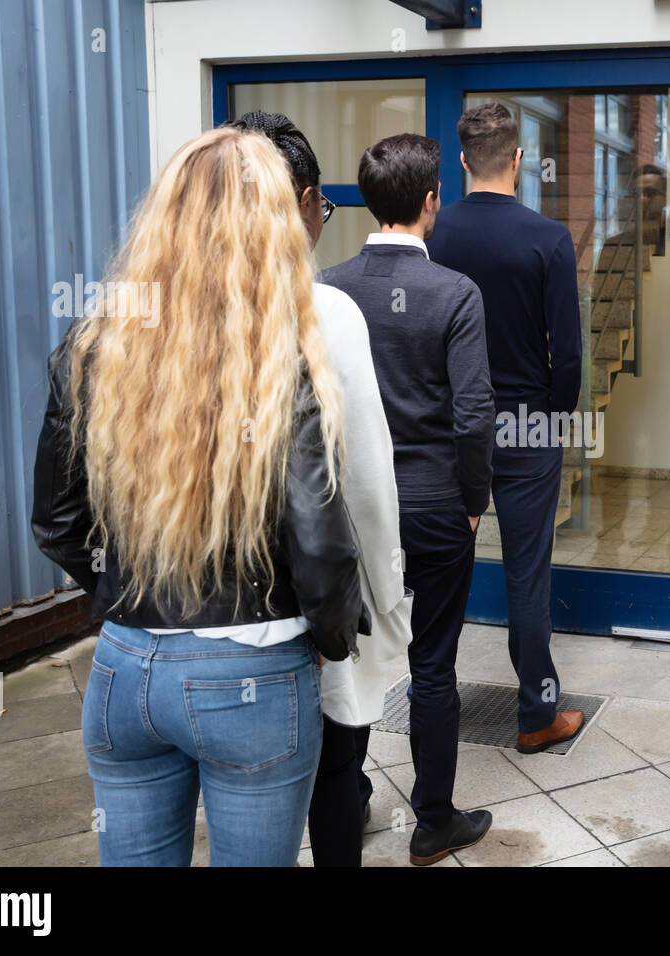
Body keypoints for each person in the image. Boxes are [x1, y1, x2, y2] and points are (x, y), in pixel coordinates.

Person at [31, 126, 365, 866]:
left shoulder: (93, 348)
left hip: (122, 672)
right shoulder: (283, 360)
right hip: (255, 672)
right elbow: (322, 546)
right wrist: (332, 641)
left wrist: (128, 590)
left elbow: (56, 523)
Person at [226, 111, 413, 868]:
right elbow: (364, 483)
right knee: (336, 776)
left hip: (186, 631)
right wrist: (387, 600)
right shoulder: (324, 311)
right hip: (305, 617)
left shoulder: (159, 311)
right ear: (300, 200)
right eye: (321, 208)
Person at [319, 133, 495, 865]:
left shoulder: (326, 288)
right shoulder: (454, 293)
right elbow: (475, 413)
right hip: (433, 507)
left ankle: (349, 802)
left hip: (351, 511)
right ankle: (432, 821)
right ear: (430, 203)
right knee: (434, 664)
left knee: (351, 656)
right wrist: (473, 498)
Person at [426, 102, 585, 754]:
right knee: (527, 575)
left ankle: (429, 698)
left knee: (436, 573)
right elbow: (568, 354)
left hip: (450, 427)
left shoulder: (434, 235)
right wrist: (552, 419)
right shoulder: (548, 239)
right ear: (518, 160)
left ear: (463, 161)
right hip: (526, 428)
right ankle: (535, 714)